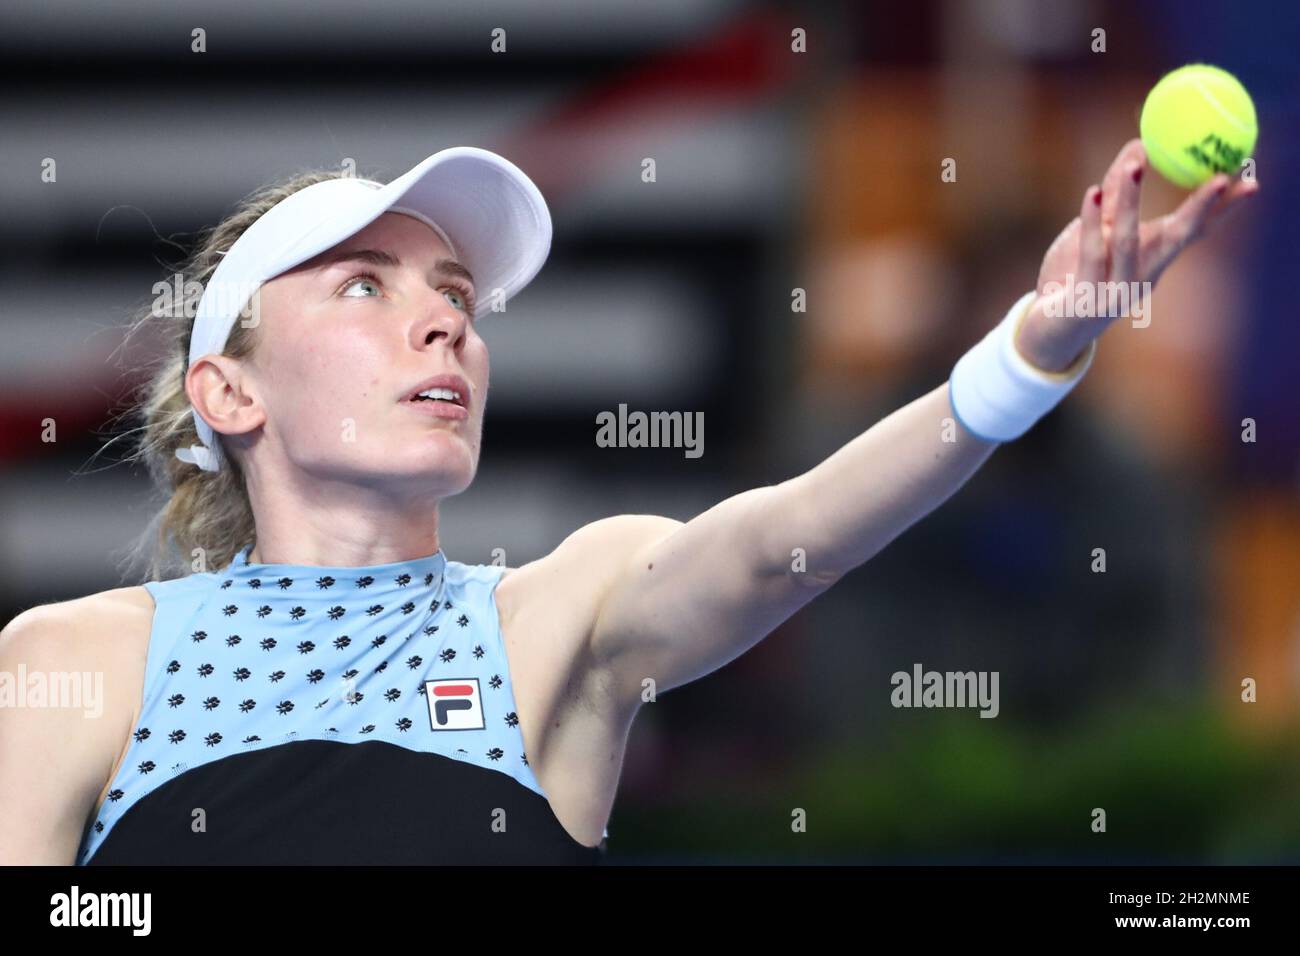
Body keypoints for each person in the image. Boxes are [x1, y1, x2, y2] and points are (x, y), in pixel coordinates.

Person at [0, 140, 1256, 864]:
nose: (445, 318)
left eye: (454, 293)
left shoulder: (558, 618)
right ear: (229, 389)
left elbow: (788, 541)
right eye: (365, 288)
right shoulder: (72, 663)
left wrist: (1026, 359)